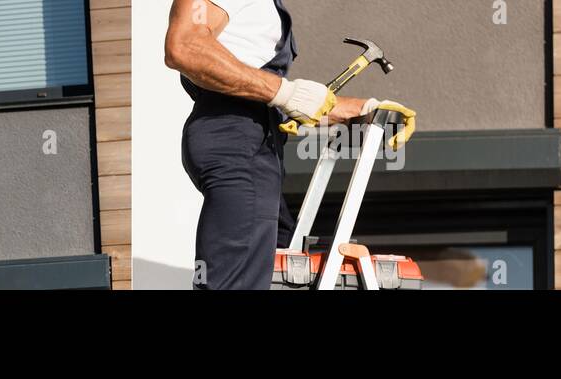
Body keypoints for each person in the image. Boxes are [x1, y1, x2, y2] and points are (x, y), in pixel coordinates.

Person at [164, 0, 415, 289]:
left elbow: (265, 93)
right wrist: (287, 94)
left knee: (276, 266)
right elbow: (185, 47)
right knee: (233, 281)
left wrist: (356, 110)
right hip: (236, 139)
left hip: (256, 141)